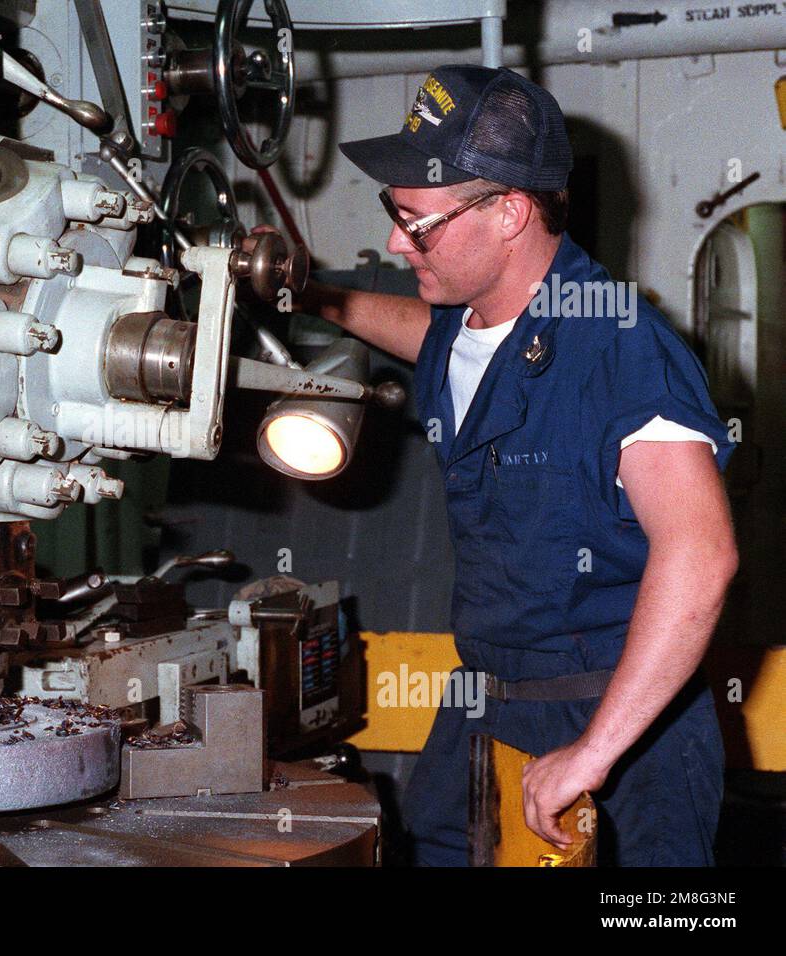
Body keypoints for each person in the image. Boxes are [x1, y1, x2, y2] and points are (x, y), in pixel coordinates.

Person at [299, 65, 737, 865]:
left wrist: (595, 753)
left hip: (621, 728)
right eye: (393, 215)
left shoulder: (622, 348)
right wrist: (308, 297)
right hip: (483, 699)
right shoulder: (468, 327)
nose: (399, 242)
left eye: (418, 223)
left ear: (509, 211)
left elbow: (701, 554)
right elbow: (423, 336)